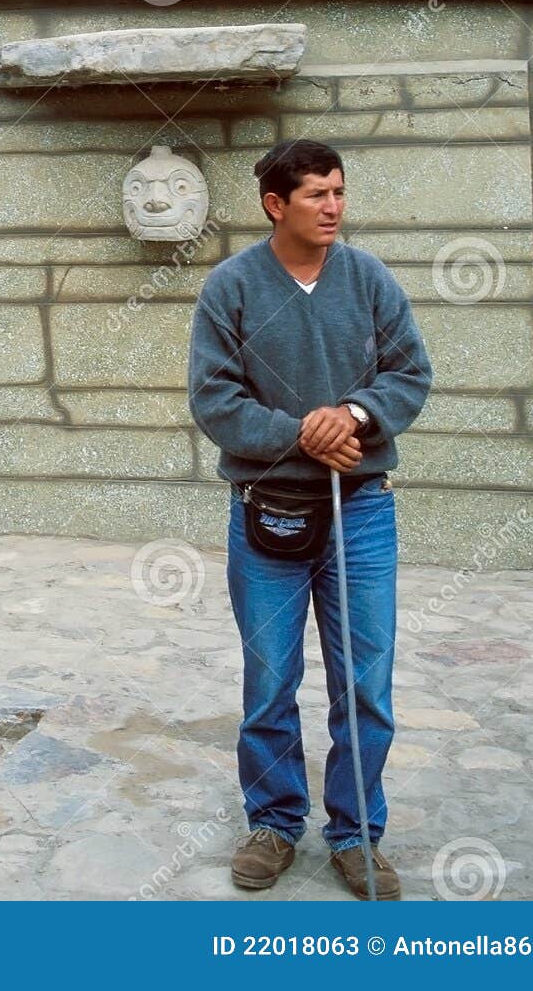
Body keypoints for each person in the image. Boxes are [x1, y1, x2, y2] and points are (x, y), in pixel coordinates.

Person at [187, 139, 432, 901]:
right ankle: (274, 822)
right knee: (271, 678)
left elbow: (410, 372)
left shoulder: (368, 280)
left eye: (339, 192)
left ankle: (357, 834)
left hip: (361, 511)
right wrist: (302, 432)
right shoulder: (230, 288)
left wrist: (354, 413)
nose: (332, 207)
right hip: (267, 516)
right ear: (274, 204)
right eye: (316, 195)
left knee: (365, 682)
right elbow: (215, 400)